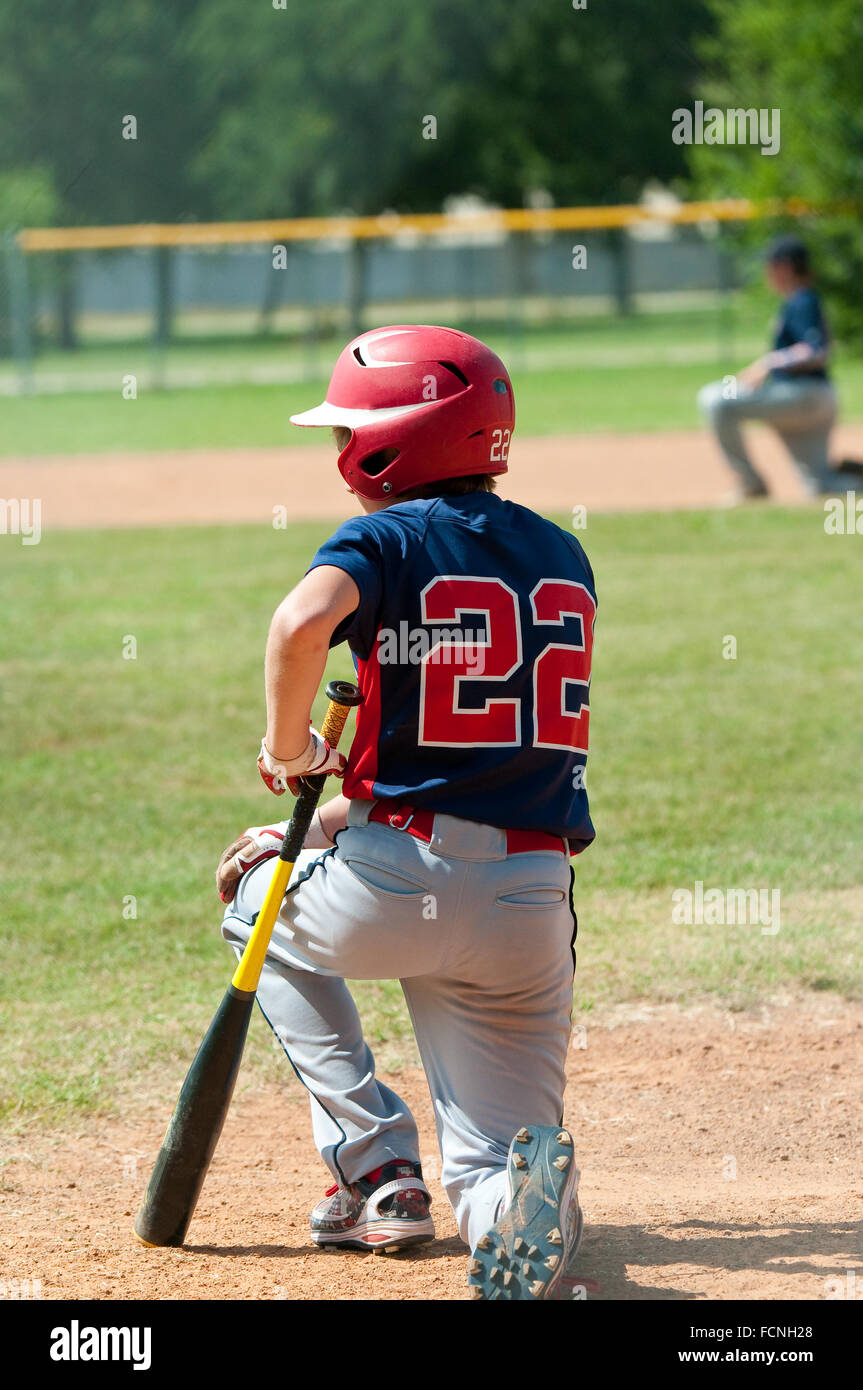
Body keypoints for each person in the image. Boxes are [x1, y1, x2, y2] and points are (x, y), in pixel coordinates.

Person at [215, 325, 596, 1300]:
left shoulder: (384, 537)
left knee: (252, 893)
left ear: (389, 443)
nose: (339, 443)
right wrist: (342, 813)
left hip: (396, 887)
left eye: (349, 425)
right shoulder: (561, 555)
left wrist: (290, 751)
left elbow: (300, 623)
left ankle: (377, 1168)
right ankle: (517, 1210)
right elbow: (464, 765)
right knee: (491, 1158)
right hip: (529, 898)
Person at [697, 236, 861, 501]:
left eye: (769, 266)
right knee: (820, 487)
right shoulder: (801, 299)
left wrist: (766, 364)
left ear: (784, 267)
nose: (766, 273)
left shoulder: (802, 300)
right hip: (812, 396)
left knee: (716, 397)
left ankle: (750, 484)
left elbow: (815, 350)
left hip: (801, 394)